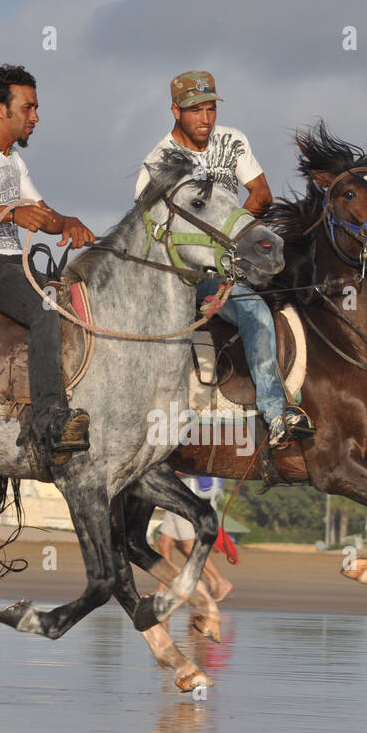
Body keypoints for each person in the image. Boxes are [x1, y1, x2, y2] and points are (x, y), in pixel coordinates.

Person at [135, 70, 314, 451]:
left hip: (233, 263)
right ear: (175, 111)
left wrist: (232, 243)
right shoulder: (159, 161)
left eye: (211, 108)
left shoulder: (233, 141)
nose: (206, 119)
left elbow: (261, 194)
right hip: (185, 273)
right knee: (244, 314)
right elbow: (146, 228)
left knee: (273, 304)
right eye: (195, 110)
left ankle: (281, 412)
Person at [0, 64, 97, 463]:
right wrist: (9, 214)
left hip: (16, 264)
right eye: (29, 108)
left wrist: (68, 222)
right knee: (47, 308)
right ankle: (50, 420)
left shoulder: (13, 161)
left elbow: (40, 213)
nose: (36, 117)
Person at [155, 474, 233, 602]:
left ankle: (220, 580)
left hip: (190, 499)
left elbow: (186, 469)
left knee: (189, 545)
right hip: (177, 494)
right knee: (164, 543)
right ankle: (165, 584)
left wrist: (167, 471)